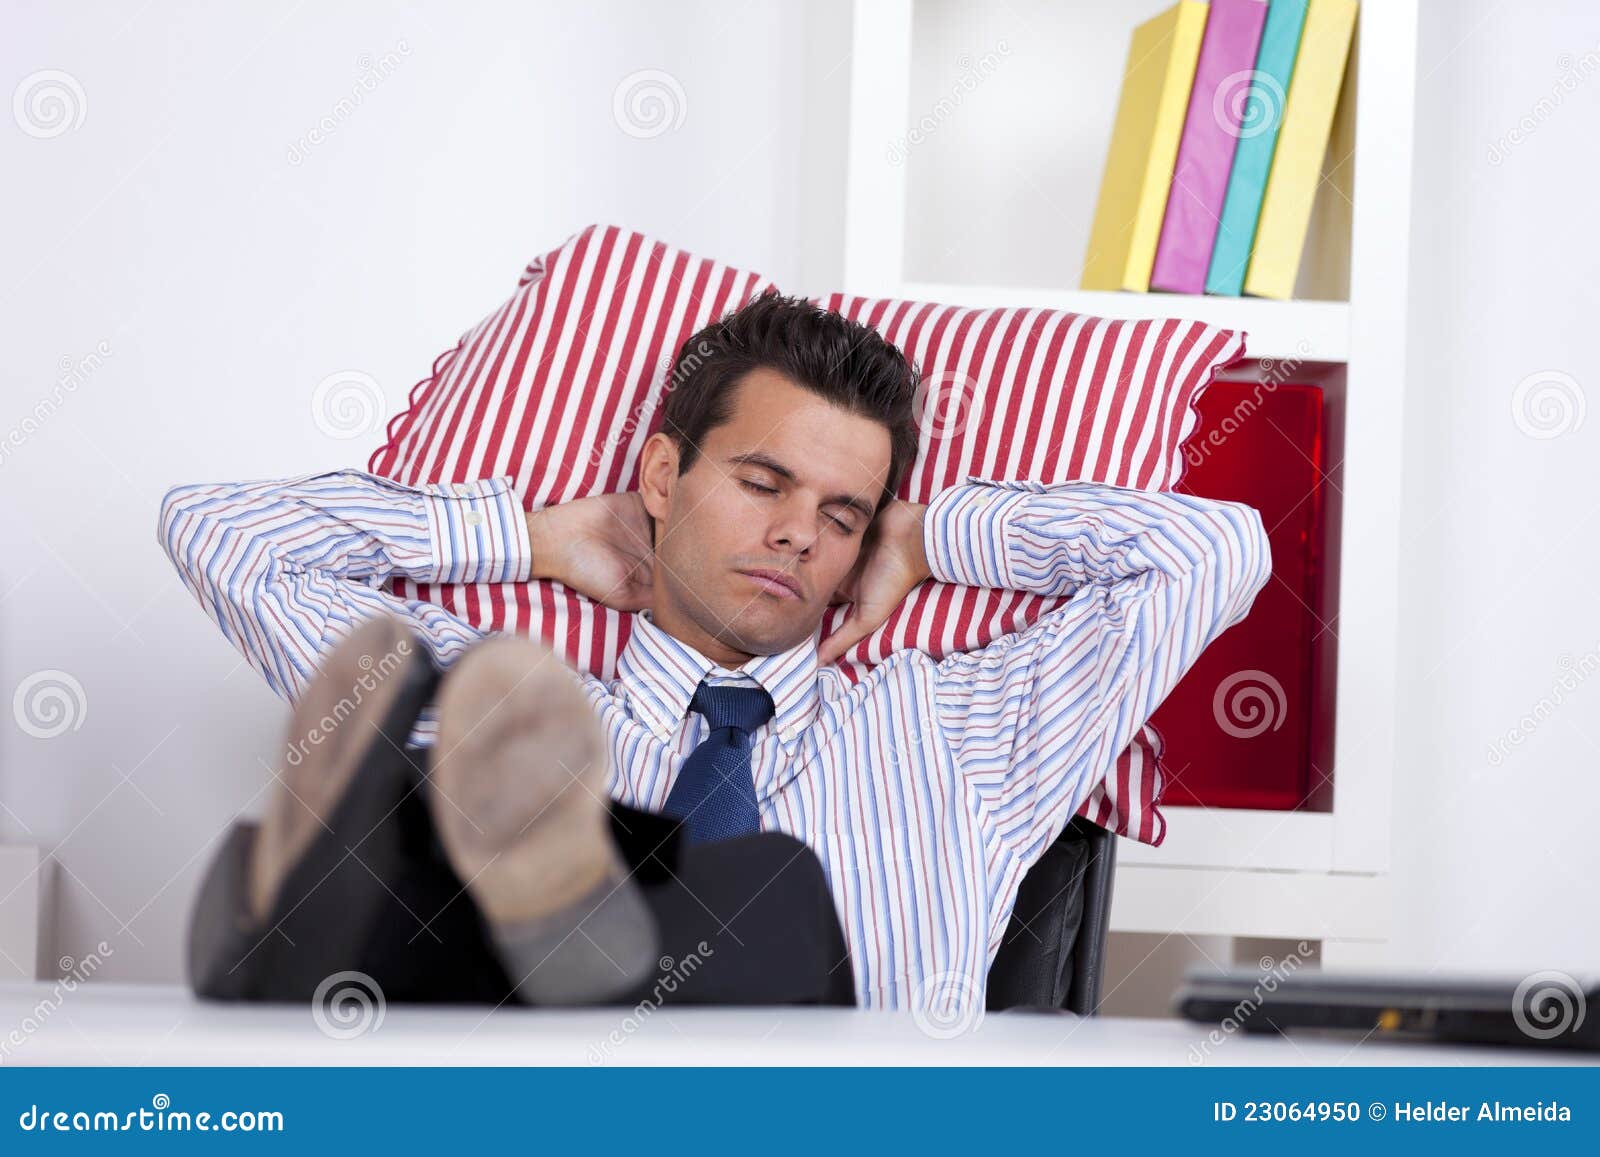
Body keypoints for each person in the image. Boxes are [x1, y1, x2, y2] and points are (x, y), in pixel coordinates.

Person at [160, 293, 1271, 1013]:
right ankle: (373, 915)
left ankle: (347, 919)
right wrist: (528, 537)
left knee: (773, 901)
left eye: (842, 514)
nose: (798, 533)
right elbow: (221, 537)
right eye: (762, 482)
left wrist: (934, 536)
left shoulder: (958, 727)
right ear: (661, 476)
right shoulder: (522, 711)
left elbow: (1214, 553)